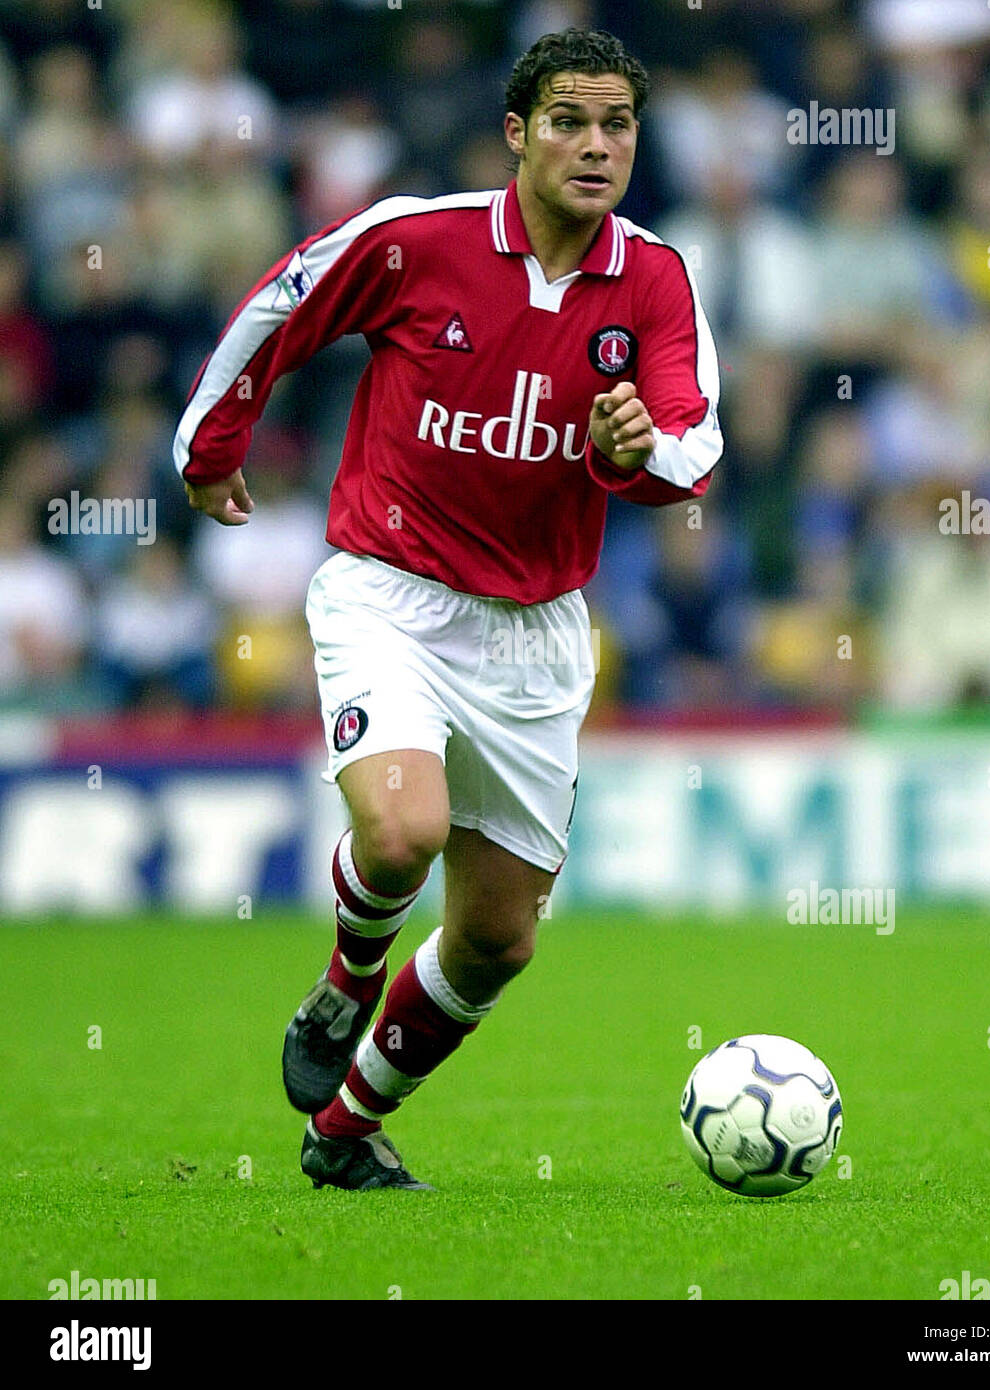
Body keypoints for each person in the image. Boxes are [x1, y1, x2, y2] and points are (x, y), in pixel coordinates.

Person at [176, 28, 722, 1191]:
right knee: (401, 830)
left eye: (616, 124)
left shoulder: (657, 278)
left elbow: (693, 437)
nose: (595, 145)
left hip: (536, 633)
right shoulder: (416, 239)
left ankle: (345, 1132)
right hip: (393, 593)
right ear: (517, 132)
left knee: (497, 940)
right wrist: (211, 444)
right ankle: (345, 977)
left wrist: (643, 450)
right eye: (569, 121)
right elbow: (285, 305)